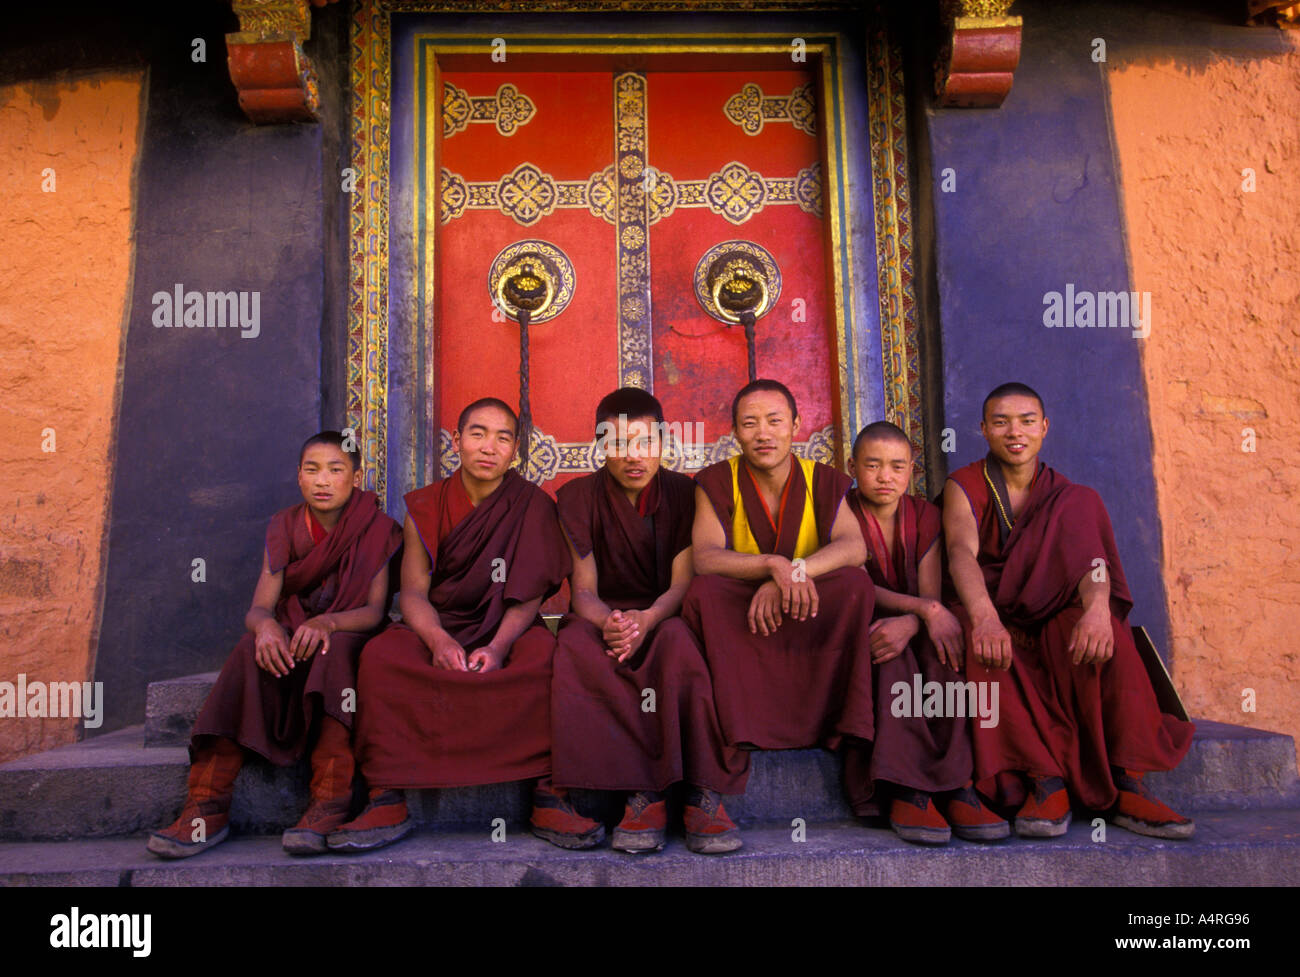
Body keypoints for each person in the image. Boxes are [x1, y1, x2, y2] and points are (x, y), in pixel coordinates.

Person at [943, 382, 1195, 839]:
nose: (1013, 432)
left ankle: (1127, 781)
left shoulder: (1070, 497)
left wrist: (1098, 609)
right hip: (993, 610)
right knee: (974, 636)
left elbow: (1091, 564)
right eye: (1000, 422)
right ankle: (1043, 777)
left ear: (1044, 427)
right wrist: (984, 616)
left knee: (1106, 631)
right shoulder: (966, 485)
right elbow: (961, 551)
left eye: (1025, 421)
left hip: (1051, 612)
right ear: (983, 429)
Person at [326, 398, 577, 853]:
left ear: (515, 451)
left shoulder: (533, 507)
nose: (489, 447)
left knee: (545, 657)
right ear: (456, 441)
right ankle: (386, 795)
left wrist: (498, 647)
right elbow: (415, 594)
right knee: (381, 658)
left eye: (503, 438)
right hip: (438, 624)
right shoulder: (426, 505)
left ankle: (549, 793)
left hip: (507, 625)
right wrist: (438, 639)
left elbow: (529, 597)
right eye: (478, 433)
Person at [147, 431, 402, 858]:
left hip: (344, 637)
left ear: (356, 478)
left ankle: (331, 798)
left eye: (336, 470)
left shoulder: (378, 528)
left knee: (332, 652)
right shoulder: (284, 525)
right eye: (312, 469)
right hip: (291, 636)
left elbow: (375, 611)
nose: (323, 480)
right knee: (248, 651)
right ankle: (207, 803)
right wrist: (265, 628)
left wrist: (328, 622)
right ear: (298, 477)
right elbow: (259, 608)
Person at [549, 388, 751, 855]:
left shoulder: (685, 492)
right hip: (604, 616)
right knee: (576, 647)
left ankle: (703, 793)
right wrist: (610, 622)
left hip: (666, 611)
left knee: (679, 646)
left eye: (644, 442)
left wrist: (648, 619)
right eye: (618, 443)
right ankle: (642, 796)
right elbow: (582, 591)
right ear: (601, 446)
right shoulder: (578, 497)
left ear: (663, 443)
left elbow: (683, 583)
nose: (633, 456)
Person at [681, 379, 877, 822]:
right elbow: (707, 557)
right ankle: (740, 728)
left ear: (796, 425)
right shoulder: (715, 481)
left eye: (774, 421)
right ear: (734, 432)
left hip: (807, 605)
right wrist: (772, 566)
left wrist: (796, 572)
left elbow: (853, 548)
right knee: (705, 594)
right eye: (750, 424)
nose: (763, 433)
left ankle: (837, 729)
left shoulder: (823, 480)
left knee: (854, 587)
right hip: (745, 608)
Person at [843, 421, 1007, 844]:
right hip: (860, 624)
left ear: (912, 470)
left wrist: (917, 618)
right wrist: (920, 612)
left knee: (945, 659)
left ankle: (958, 785)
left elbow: (930, 590)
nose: (885, 477)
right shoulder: (840, 515)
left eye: (897, 466)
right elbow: (858, 585)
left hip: (916, 620)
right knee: (890, 657)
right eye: (873, 465)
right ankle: (908, 789)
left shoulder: (925, 515)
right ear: (852, 466)